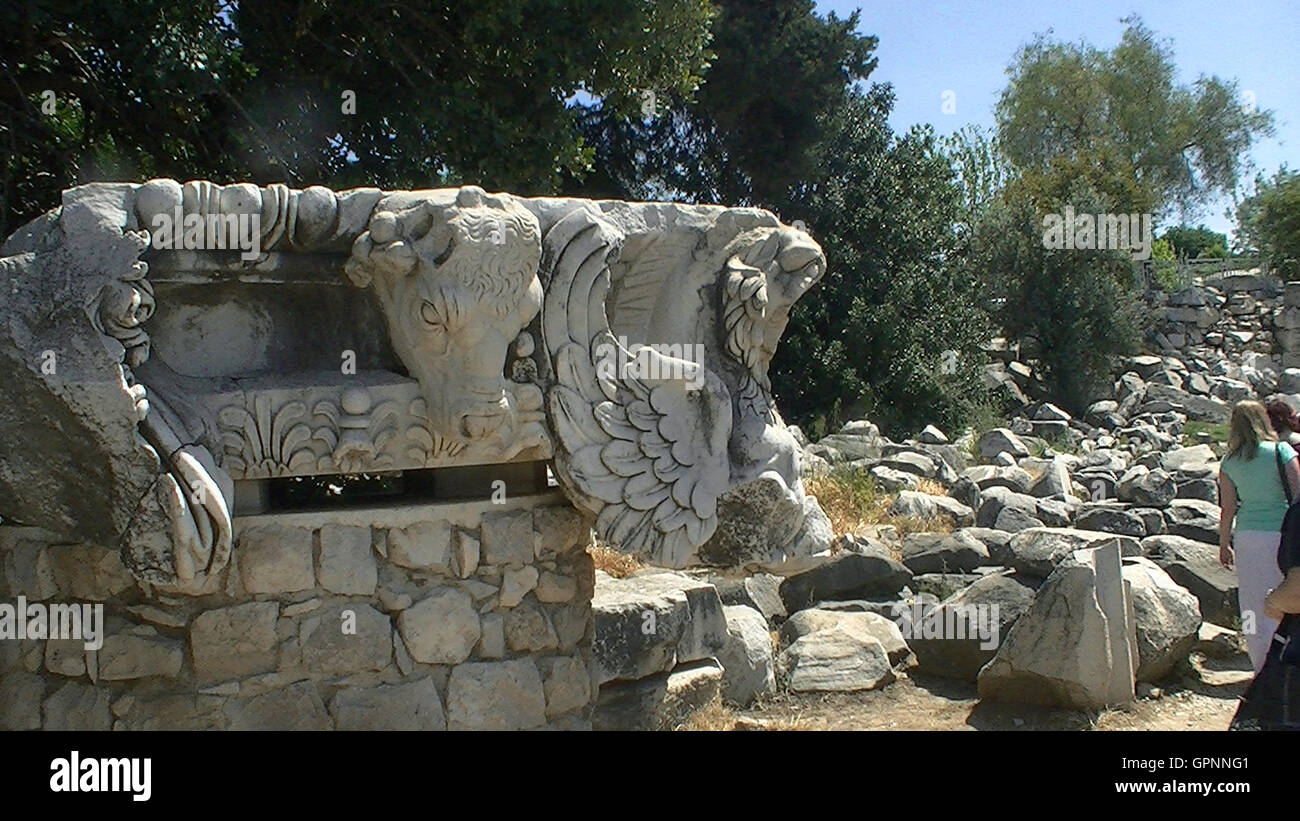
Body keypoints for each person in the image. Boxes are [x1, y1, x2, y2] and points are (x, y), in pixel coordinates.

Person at [1218, 400, 1300, 671]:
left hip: (1248, 537)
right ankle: (1285, 659)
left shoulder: (1229, 461)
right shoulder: (1281, 451)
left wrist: (1223, 544)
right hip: (1283, 534)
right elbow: (1298, 494)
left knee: (1252, 603)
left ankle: (1258, 664)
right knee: (1286, 595)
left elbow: (1228, 508)